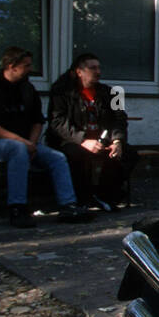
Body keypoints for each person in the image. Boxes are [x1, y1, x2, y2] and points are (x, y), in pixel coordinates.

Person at [0, 47, 90, 227]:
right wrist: (25, 143)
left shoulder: (27, 89)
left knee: (57, 158)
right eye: (26, 65)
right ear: (12, 66)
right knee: (17, 149)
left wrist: (32, 143)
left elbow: (37, 121)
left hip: (25, 144)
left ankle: (68, 205)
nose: (30, 69)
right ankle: (17, 207)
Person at [46, 53, 138, 209]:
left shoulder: (114, 92)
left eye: (99, 67)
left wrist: (117, 141)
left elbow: (120, 118)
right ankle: (83, 197)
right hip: (73, 141)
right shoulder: (60, 92)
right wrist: (83, 140)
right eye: (92, 68)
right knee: (76, 154)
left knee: (127, 154)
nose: (98, 72)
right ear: (79, 71)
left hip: (103, 141)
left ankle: (105, 194)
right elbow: (57, 122)